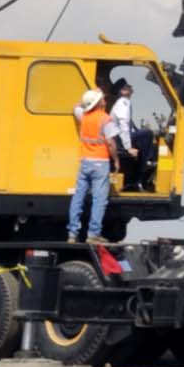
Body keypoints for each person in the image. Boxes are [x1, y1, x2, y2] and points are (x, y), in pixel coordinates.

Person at [67, 72, 115, 242]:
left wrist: (88, 98)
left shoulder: (84, 117)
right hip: (101, 164)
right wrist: (116, 160)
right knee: (99, 199)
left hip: (85, 162)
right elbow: (111, 143)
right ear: (98, 103)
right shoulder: (105, 118)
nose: (104, 99)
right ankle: (93, 234)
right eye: (102, 98)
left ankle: (72, 234)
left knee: (78, 197)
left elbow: (75, 106)